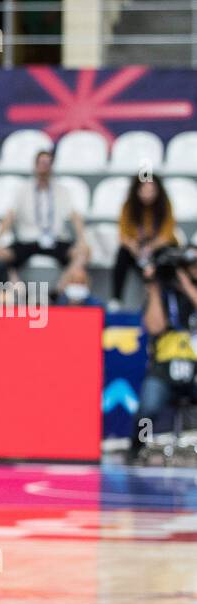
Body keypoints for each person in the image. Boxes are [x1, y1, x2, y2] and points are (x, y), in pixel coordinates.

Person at [128, 243, 197, 463]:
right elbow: (155, 327)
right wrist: (153, 287)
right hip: (163, 369)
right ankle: (138, 446)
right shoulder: (160, 295)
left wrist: (185, 282)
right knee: (148, 408)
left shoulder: (191, 292)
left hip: (194, 368)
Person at [0, 149, 89, 284]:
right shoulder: (23, 189)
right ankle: (17, 288)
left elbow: (74, 215)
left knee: (82, 254)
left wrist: (82, 240)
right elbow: (10, 215)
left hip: (55, 240)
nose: (44, 167)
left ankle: (58, 291)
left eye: (47, 163)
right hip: (28, 240)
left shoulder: (62, 190)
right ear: (35, 165)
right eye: (41, 163)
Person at [111, 176, 178, 311]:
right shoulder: (128, 206)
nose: (148, 194)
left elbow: (167, 234)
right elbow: (123, 234)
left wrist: (151, 248)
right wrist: (134, 247)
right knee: (122, 255)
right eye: (144, 190)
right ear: (137, 190)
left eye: (151, 190)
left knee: (166, 258)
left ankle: (166, 300)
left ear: (158, 191)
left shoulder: (165, 205)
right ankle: (116, 299)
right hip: (136, 248)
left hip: (159, 247)